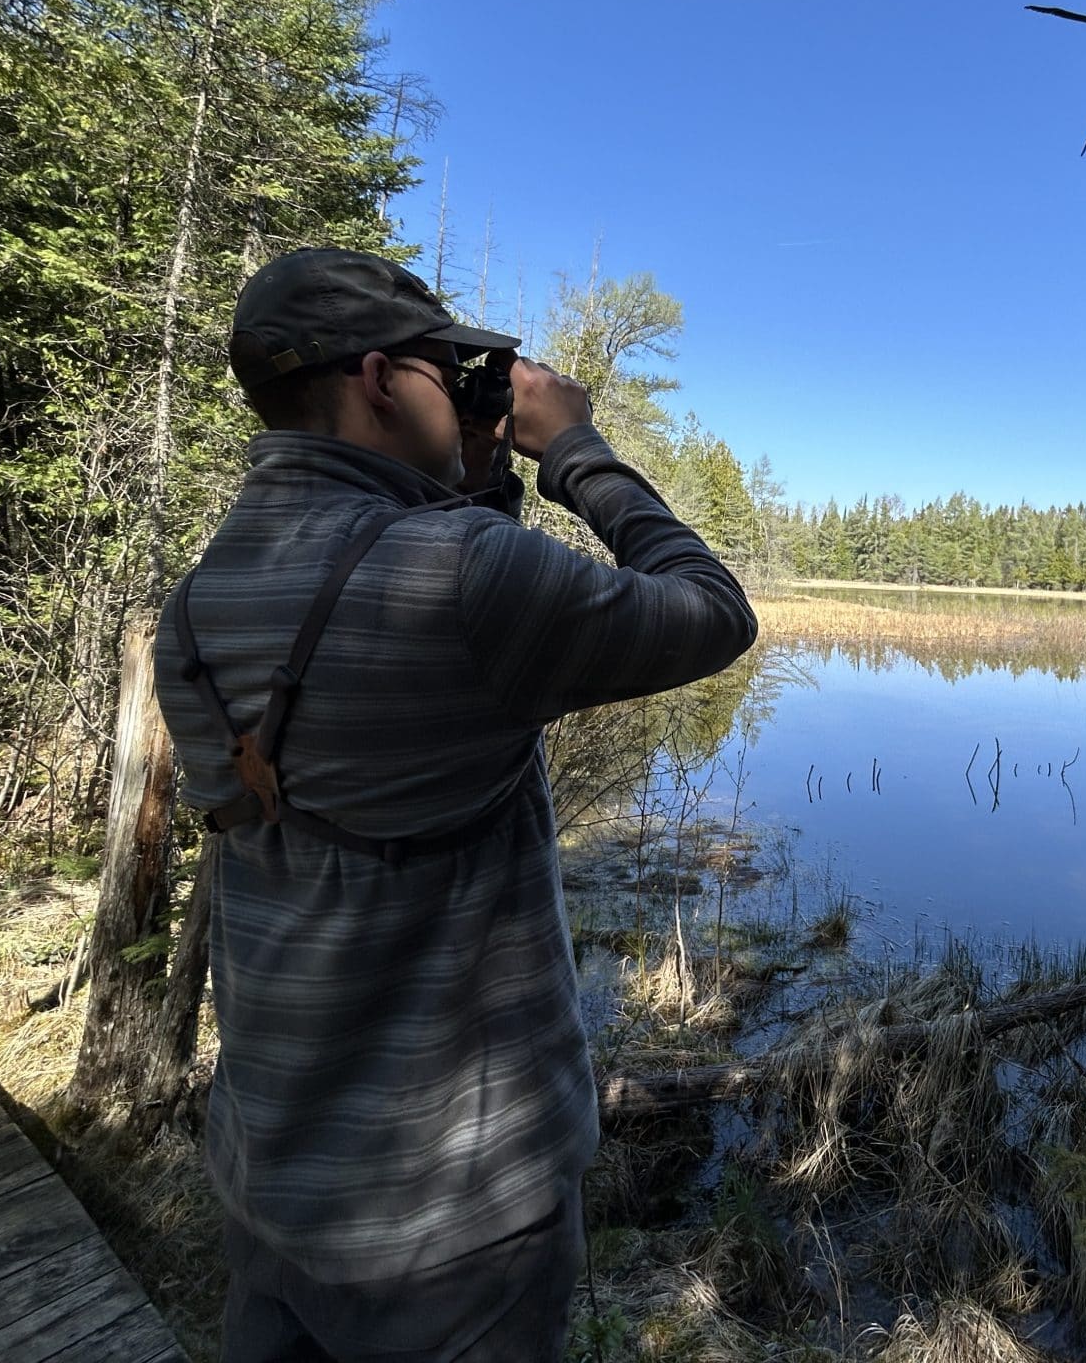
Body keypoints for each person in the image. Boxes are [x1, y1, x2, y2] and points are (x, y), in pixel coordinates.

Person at [153, 247, 757, 1362]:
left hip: (276, 1168)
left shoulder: (194, 610)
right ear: (381, 380)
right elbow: (710, 611)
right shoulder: (465, 577)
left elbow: (424, 675)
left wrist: (472, 479)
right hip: (453, 1213)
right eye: (449, 371)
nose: (473, 392)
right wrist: (573, 448)